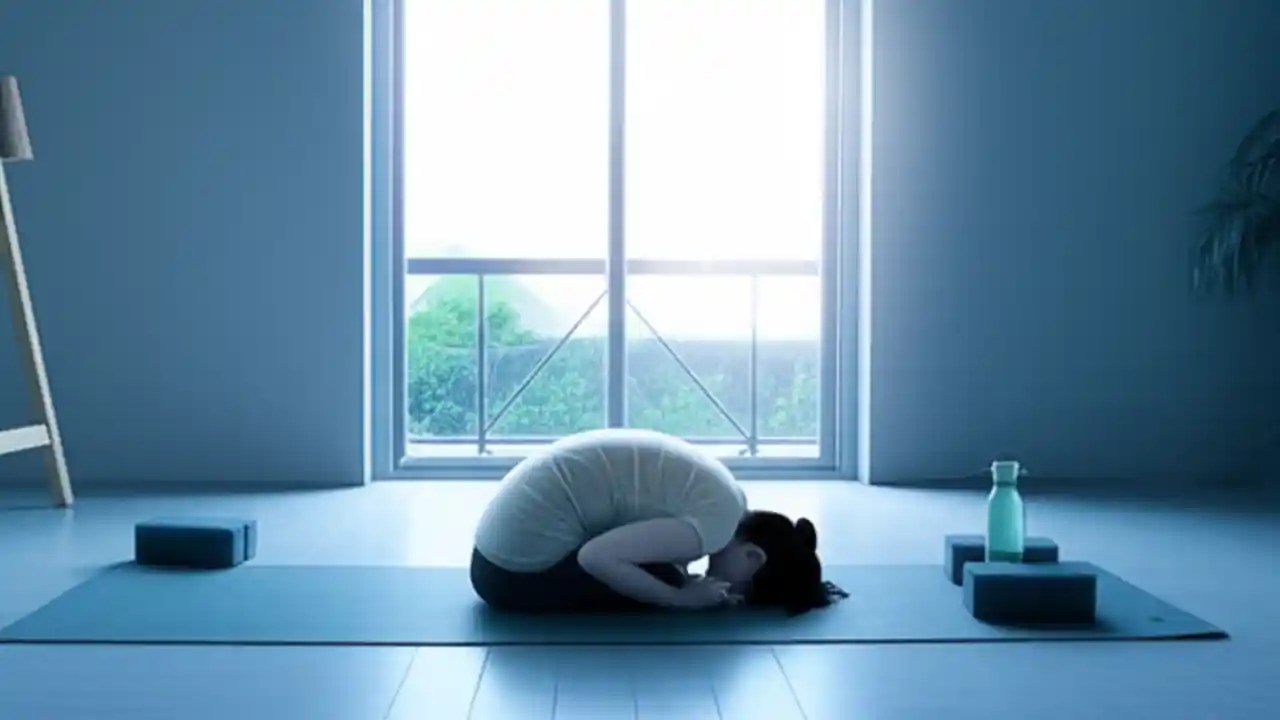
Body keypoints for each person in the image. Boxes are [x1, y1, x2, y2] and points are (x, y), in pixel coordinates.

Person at [470, 428, 848, 615]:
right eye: (742, 591)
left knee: (662, 568)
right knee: (662, 579)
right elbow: (595, 557)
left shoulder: (728, 498)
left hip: (495, 553)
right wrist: (680, 598)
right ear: (752, 558)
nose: (729, 593)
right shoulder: (712, 528)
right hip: (508, 576)